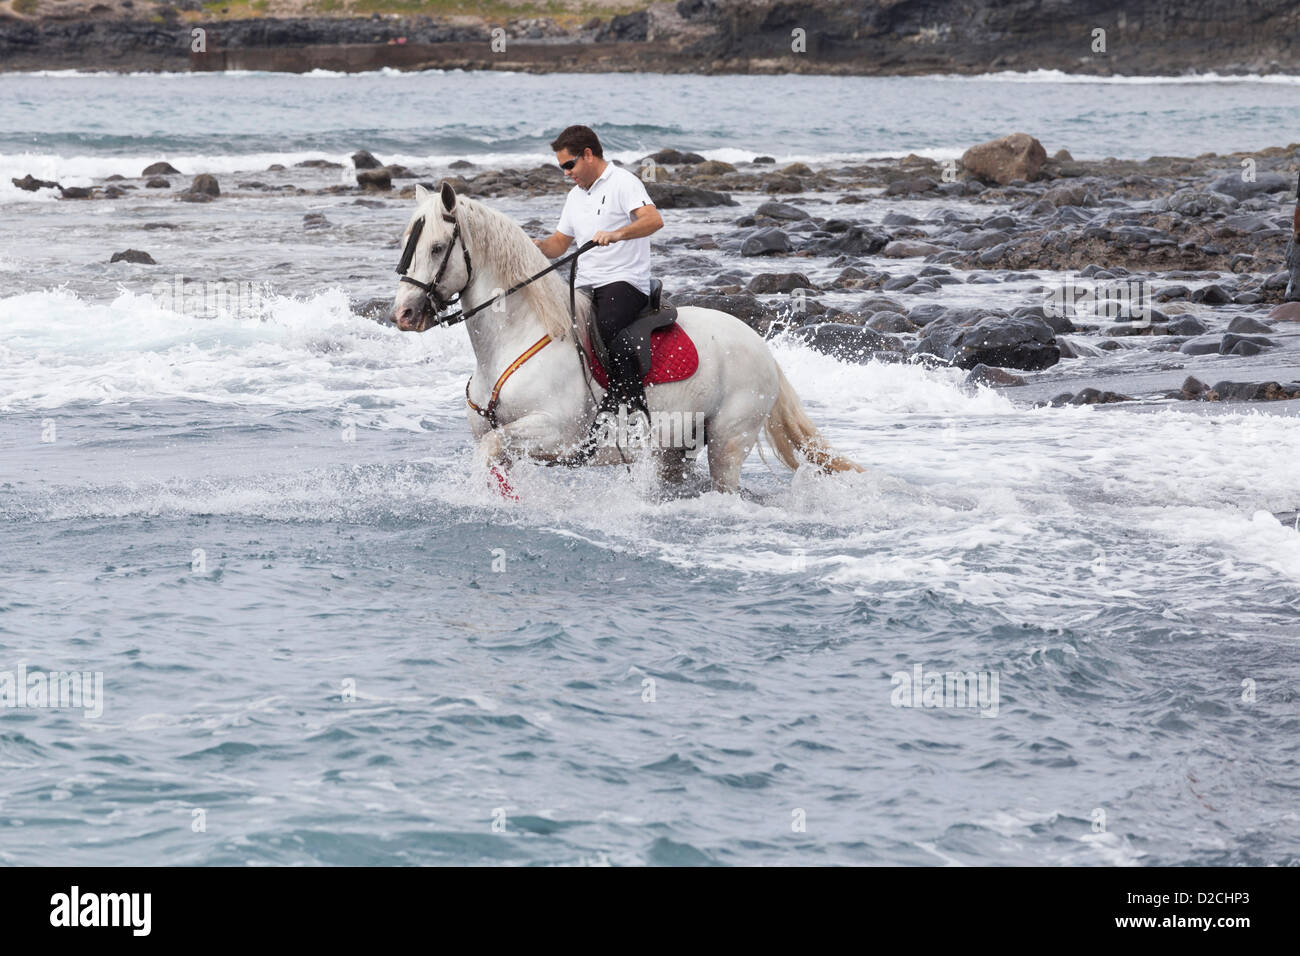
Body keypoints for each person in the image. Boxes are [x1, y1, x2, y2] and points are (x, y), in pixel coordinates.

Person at [533, 125, 665, 442]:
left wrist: (617, 234)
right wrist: (531, 246)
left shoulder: (623, 182)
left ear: (588, 155)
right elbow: (558, 245)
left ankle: (631, 406)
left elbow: (653, 220)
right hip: (586, 284)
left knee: (606, 326)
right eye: (562, 167)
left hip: (625, 280)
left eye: (569, 165)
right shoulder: (575, 196)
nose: (566, 173)